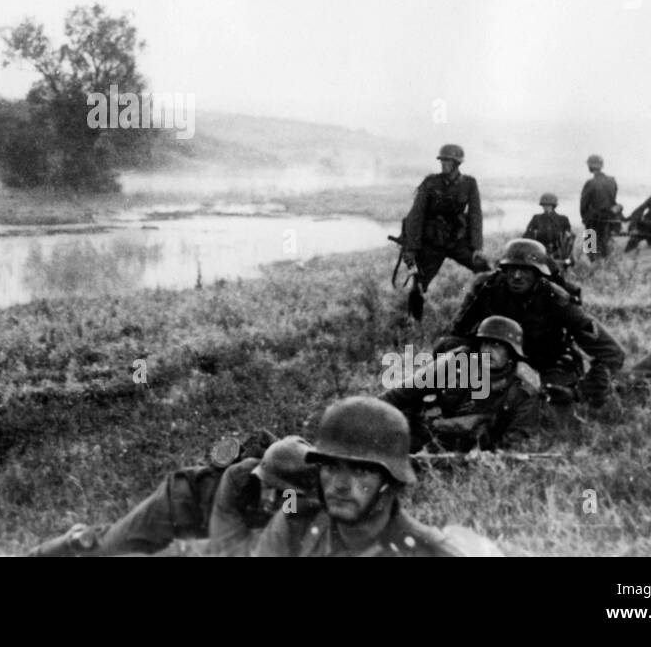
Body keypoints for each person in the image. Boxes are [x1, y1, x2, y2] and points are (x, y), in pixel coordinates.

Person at [252, 397, 500, 557]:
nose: (340, 484)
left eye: (361, 471)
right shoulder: (294, 527)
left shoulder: (430, 552)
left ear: (391, 481)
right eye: (331, 467)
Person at [27, 431, 319, 556]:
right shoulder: (239, 478)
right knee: (107, 547)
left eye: (282, 493)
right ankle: (61, 545)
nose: (272, 497)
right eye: (269, 487)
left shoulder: (303, 491)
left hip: (205, 527)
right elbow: (228, 547)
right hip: (177, 504)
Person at [435, 238, 625, 407]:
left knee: (553, 406)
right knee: (448, 348)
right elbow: (457, 332)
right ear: (504, 269)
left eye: (525, 269)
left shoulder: (557, 299)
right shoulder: (486, 288)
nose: (517, 276)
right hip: (499, 359)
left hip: (546, 360)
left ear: (538, 274)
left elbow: (611, 353)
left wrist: (579, 392)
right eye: (512, 269)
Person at [380, 315, 540, 452]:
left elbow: (518, 438)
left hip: (479, 450)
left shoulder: (522, 388)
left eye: (497, 346)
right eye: (485, 343)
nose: (488, 351)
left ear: (512, 352)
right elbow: (402, 394)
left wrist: (489, 456)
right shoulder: (456, 362)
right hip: (427, 436)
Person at [398, 144, 488, 321]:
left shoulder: (469, 184)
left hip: (457, 241)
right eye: (442, 160)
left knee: (485, 270)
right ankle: (414, 322)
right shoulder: (430, 183)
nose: (444, 164)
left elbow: (475, 215)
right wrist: (412, 248)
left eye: (448, 160)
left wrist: (477, 246)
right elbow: (416, 215)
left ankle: (484, 313)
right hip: (432, 243)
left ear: (457, 163)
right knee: (418, 282)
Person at [579, 155, 619, 260]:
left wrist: (585, 218)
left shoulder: (590, 183)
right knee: (604, 246)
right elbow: (613, 199)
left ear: (590, 166)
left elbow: (583, 205)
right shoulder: (612, 181)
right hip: (609, 218)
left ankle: (592, 267)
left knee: (590, 250)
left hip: (593, 220)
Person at [524, 193, 574, 266]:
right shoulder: (536, 218)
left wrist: (566, 255)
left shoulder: (563, 219)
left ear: (553, 206)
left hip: (559, 255)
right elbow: (527, 236)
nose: (546, 207)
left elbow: (569, 240)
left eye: (548, 205)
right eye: (544, 205)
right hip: (540, 254)